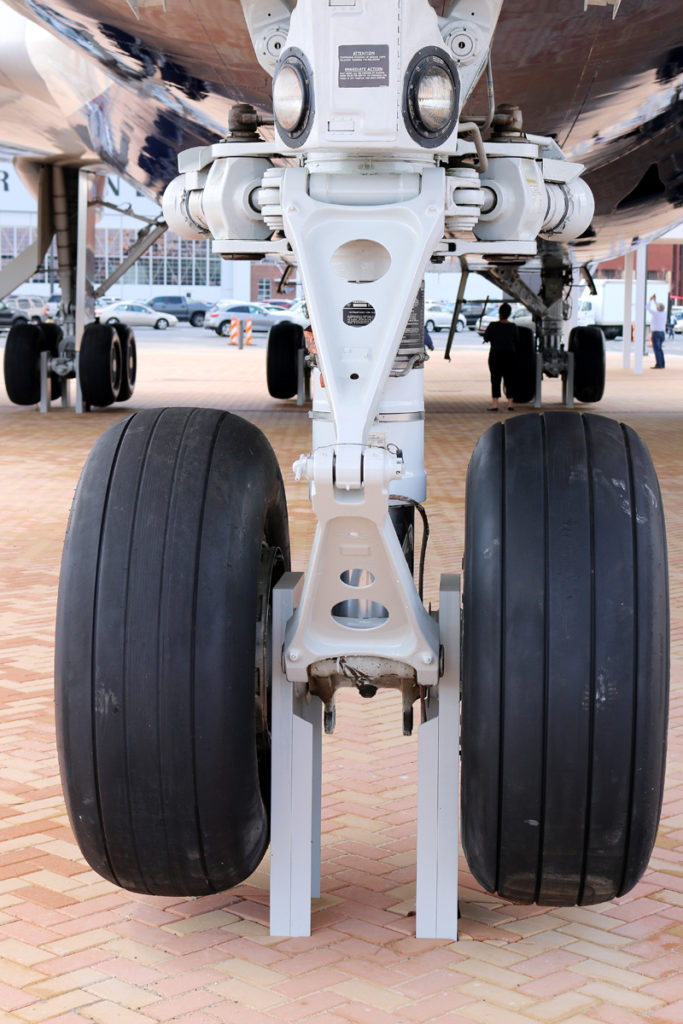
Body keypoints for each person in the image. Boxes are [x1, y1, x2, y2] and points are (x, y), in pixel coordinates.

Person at [483, 301, 518, 410]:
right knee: (510, 378)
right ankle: (510, 403)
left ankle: (495, 404)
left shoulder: (493, 326)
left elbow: (486, 338)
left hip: (495, 355)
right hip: (509, 355)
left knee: (495, 379)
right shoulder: (513, 327)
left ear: (500, 313)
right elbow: (517, 341)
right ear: (509, 313)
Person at [647, 294, 666, 368]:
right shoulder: (664, 313)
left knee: (656, 349)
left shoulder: (655, 313)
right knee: (660, 349)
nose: (656, 307)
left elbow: (648, 308)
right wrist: (655, 301)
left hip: (656, 333)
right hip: (662, 333)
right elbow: (659, 306)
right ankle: (662, 363)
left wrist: (650, 300)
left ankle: (659, 364)